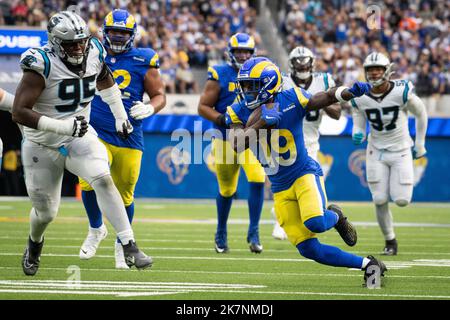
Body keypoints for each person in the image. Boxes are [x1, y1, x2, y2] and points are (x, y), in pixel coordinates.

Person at [12, 10, 152, 276]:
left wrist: (120, 116)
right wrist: (62, 126)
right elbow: (20, 111)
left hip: (79, 136)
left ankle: (129, 243)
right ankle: (34, 243)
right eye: (71, 44)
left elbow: (105, 81)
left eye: (82, 41)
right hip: (41, 144)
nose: (78, 48)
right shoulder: (41, 63)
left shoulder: (95, 50)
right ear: (54, 42)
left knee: (102, 178)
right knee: (46, 213)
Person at [226, 57, 387, 286]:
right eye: (245, 85)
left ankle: (336, 217)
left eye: (252, 85)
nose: (246, 91)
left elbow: (327, 97)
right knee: (308, 249)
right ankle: (369, 265)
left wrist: (349, 91)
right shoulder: (237, 111)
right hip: (279, 187)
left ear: (267, 84)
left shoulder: (292, 98)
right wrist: (261, 123)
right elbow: (236, 143)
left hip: (303, 173)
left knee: (316, 223)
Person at [77, 9, 166, 269]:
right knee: (89, 180)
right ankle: (96, 228)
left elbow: (160, 94)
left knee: (125, 194)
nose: (117, 37)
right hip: (96, 129)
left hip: (129, 134)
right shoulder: (91, 53)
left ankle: (121, 245)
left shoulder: (144, 58)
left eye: (123, 32)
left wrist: (151, 107)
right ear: (105, 32)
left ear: (132, 35)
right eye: (114, 31)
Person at [351, 52, 428, 255]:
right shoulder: (360, 95)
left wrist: (420, 143)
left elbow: (421, 113)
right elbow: (358, 117)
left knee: (402, 200)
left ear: (387, 70)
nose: (374, 73)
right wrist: (358, 131)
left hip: (401, 149)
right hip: (375, 150)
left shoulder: (401, 91)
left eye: (378, 69)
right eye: (370, 69)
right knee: (379, 199)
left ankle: (390, 238)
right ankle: (390, 240)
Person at [197, 33, 266, 254]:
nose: (243, 55)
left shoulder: (261, 71)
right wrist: (221, 119)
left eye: (246, 51)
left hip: (251, 137)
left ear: (253, 53)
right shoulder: (220, 74)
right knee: (227, 189)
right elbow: (203, 107)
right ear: (230, 52)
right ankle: (221, 231)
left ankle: (254, 231)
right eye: (239, 51)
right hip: (225, 137)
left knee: (257, 178)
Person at [272, 46, 342, 241]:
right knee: (280, 181)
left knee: (300, 182)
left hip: (309, 143)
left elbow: (337, 113)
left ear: (312, 63)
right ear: (291, 64)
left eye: (305, 62)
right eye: (298, 62)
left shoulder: (324, 81)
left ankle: (295, 221)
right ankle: (282, 219)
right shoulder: (283, 81)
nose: (302, 65)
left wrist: (319, 99)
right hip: (284, 140)